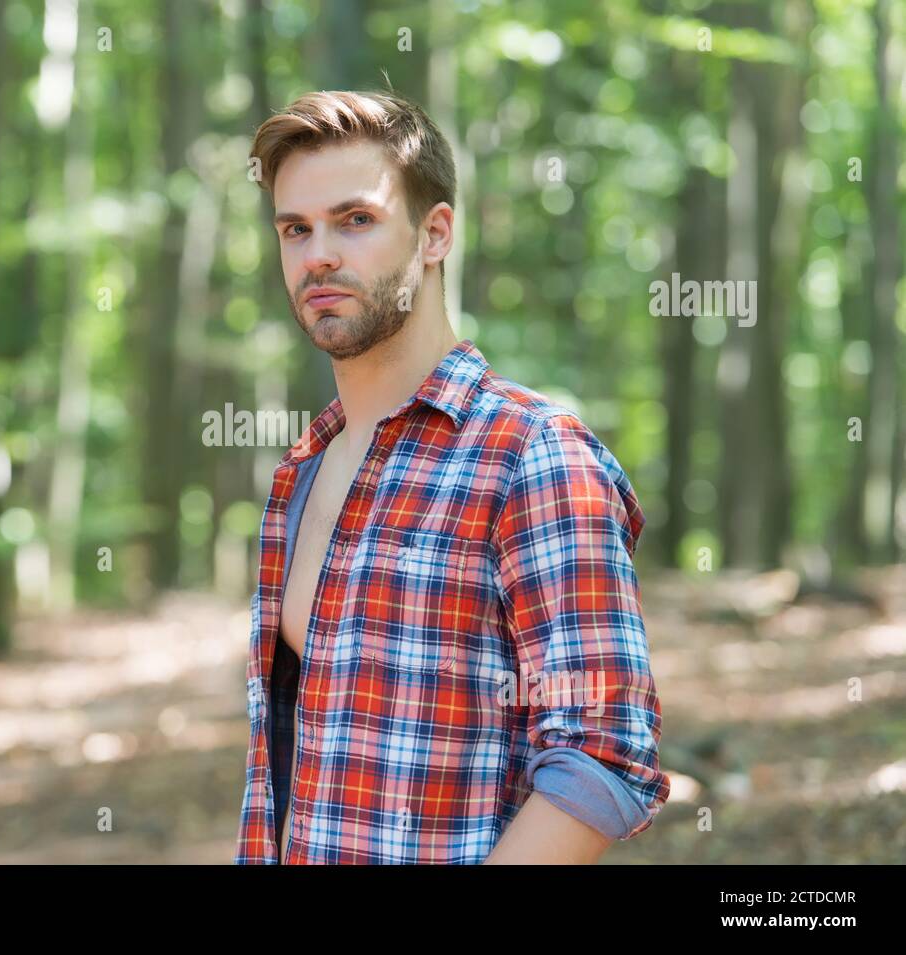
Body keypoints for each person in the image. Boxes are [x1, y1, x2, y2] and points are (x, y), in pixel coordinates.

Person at [233, 90, 670, 864]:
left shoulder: (533, 454)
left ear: (435, 234)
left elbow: (604, 753)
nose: (318, 254)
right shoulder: (299, 474)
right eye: (295, 229)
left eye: (355, 219)